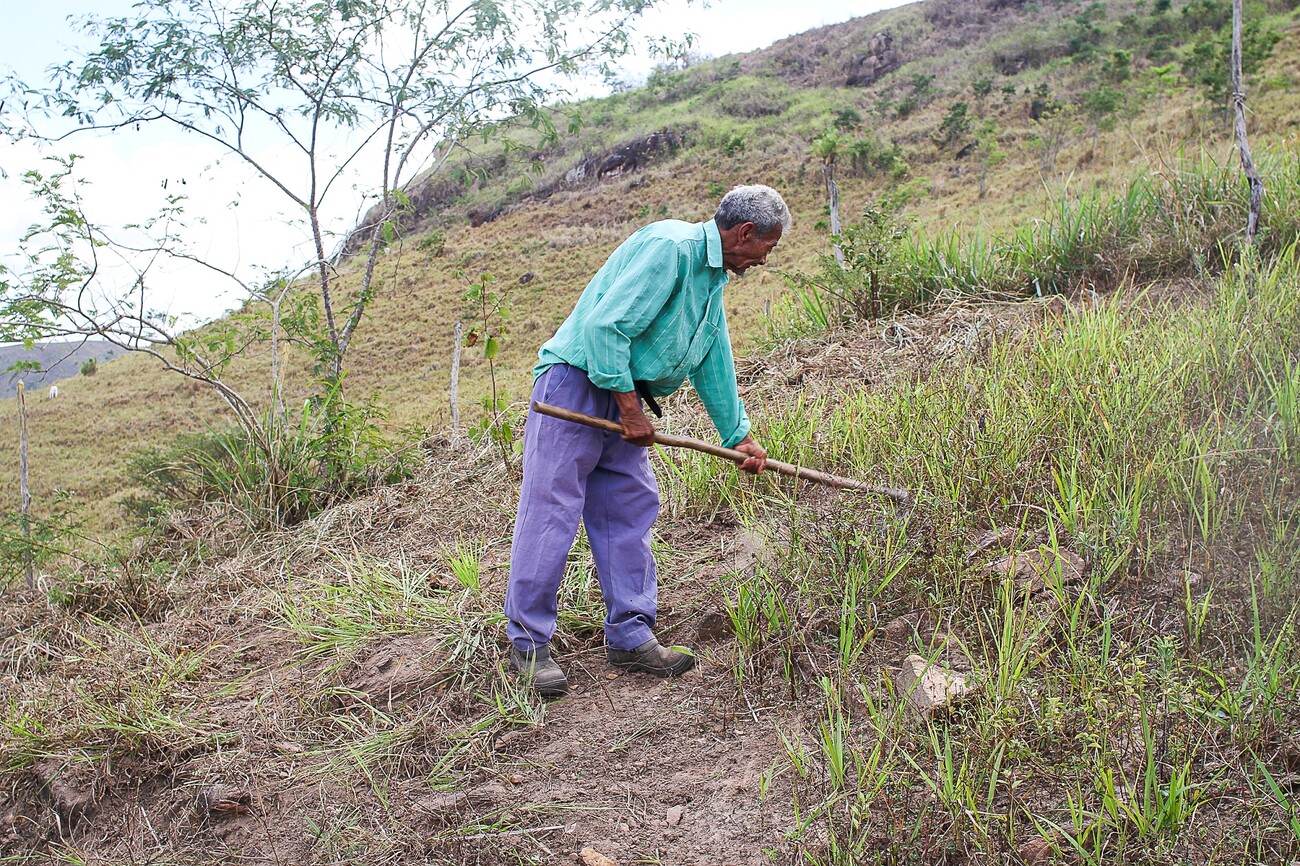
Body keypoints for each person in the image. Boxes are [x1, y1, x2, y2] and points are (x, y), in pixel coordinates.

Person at [504, 184, 791, 697]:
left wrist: (739, 435)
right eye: (765, 248)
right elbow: (604, 328)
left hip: (623, 395)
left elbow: (712, 358)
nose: (763, 260)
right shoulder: (671, 248)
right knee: (552, 510)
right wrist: (630, 410)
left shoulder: (711, 281)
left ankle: (630, 635)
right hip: (575, 385)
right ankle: (528, 645)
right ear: (745, 232)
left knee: (630, 505)